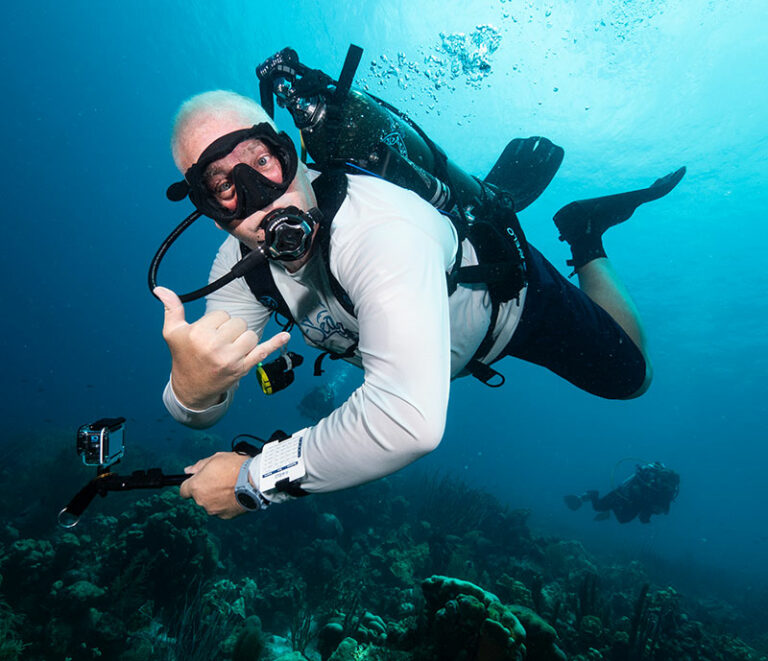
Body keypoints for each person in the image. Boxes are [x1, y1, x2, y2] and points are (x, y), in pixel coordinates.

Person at [154, 88, 684, 519]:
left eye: (262, 161)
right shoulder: (237, 269)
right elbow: (199, 409)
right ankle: (489, 197)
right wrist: (192, 392)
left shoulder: (383, 231)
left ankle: (585, 236)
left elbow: (407, 423)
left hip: (514, 306)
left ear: (290, 149)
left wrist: (254, 479)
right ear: (203, 207)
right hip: (450, 319)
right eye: (223, 185)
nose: (259, 196)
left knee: (632, 380)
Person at [564, 462, 680, 523]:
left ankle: (610, 509)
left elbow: (659, 508)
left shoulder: (665, 494)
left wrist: (647, 515)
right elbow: (636, 489)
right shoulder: (648, 480)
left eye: (668, 486)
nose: (665, 486)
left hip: (634, 504)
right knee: (598, 507)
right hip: (623, 494)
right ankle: (592, 494)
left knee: (623, 520)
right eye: (664, 482)